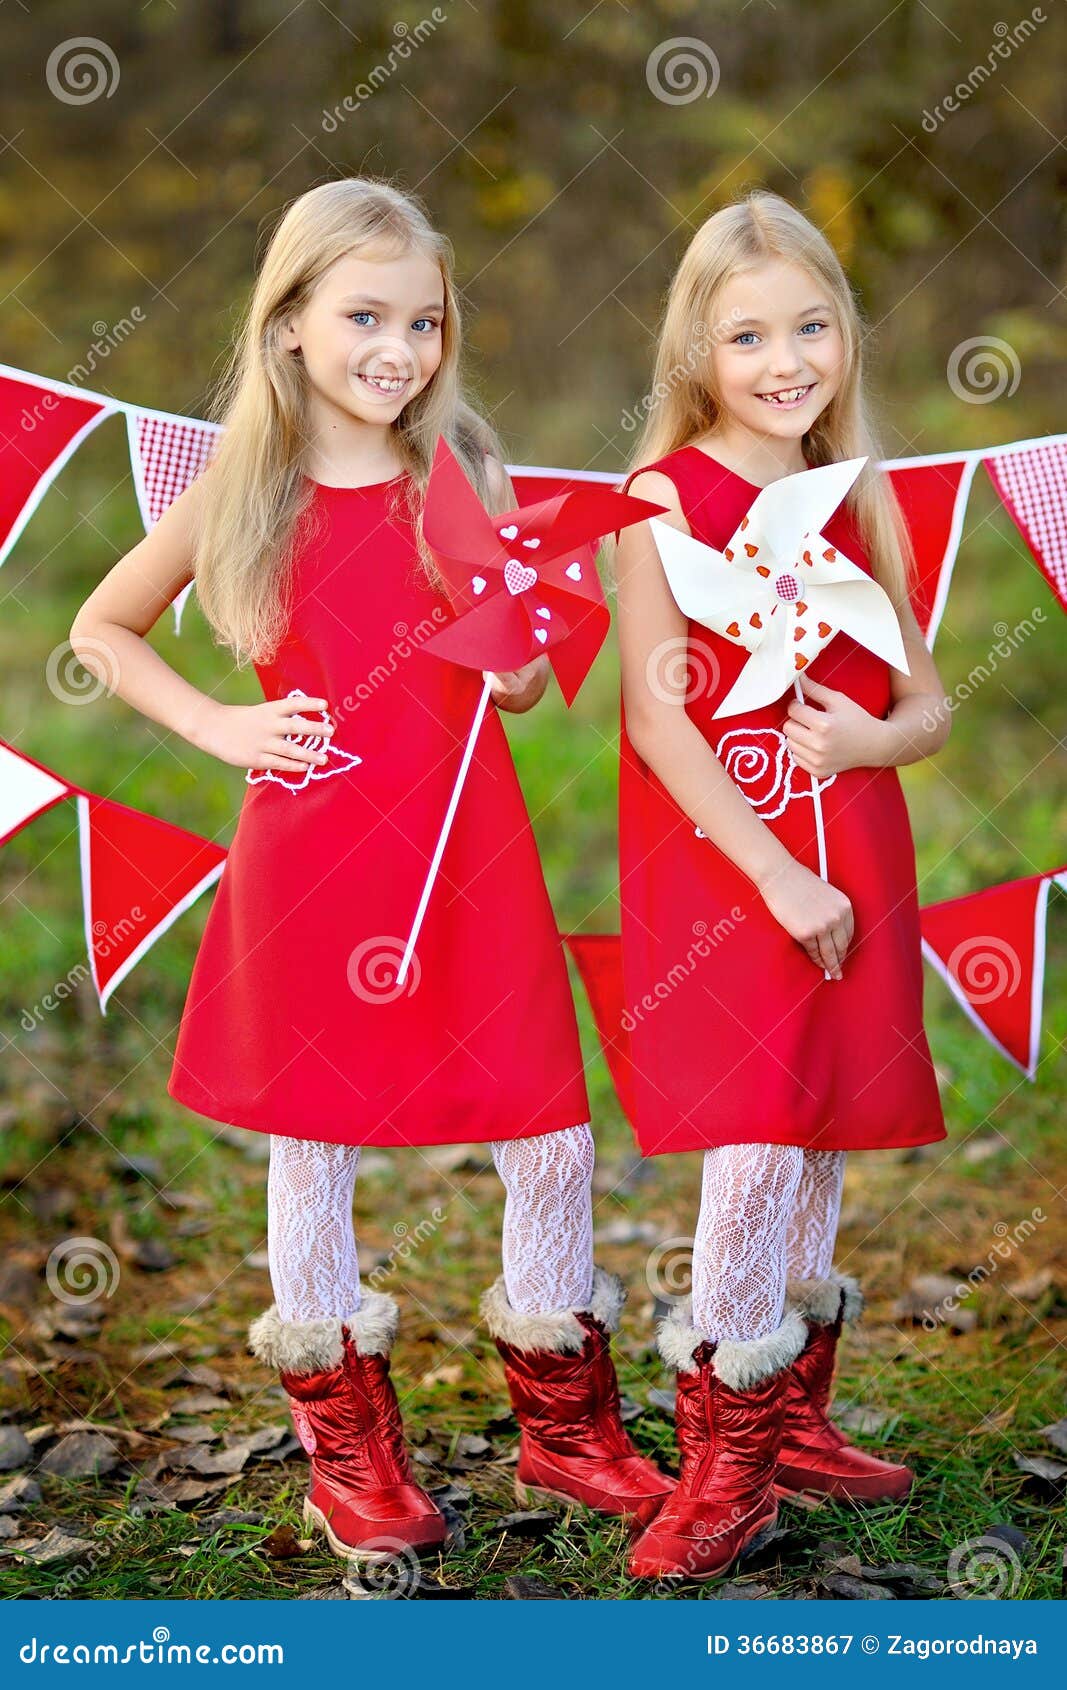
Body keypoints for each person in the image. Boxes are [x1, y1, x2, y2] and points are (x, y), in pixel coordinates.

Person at [69, 176, 672, 1565]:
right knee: (316, 1136)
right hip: (318, 844)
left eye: (422, 317)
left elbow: (520, 677)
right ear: (287, 326)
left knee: (548, 1127)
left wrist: (517, 656)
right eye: (362, 315)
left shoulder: (460, 475)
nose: (397, 346)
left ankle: (565, 1422)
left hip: (471, 845)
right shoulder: (247, 487)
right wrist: (220, 722)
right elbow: (105, 625)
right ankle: (346, 1446)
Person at [613, 190, 950, 1583]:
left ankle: (795, 1416)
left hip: (851, 836)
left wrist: (872, 739)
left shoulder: (858, 491)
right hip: (733, 861)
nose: (786, 359)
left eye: (811, 325)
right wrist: (772, 870)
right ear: (698, 347)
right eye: (749, 334)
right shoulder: (662, 499)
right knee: (752, 1130)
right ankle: (724, 1460)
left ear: (847, 337)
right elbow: (653, 716)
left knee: (816, 1121)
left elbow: (924, 701)